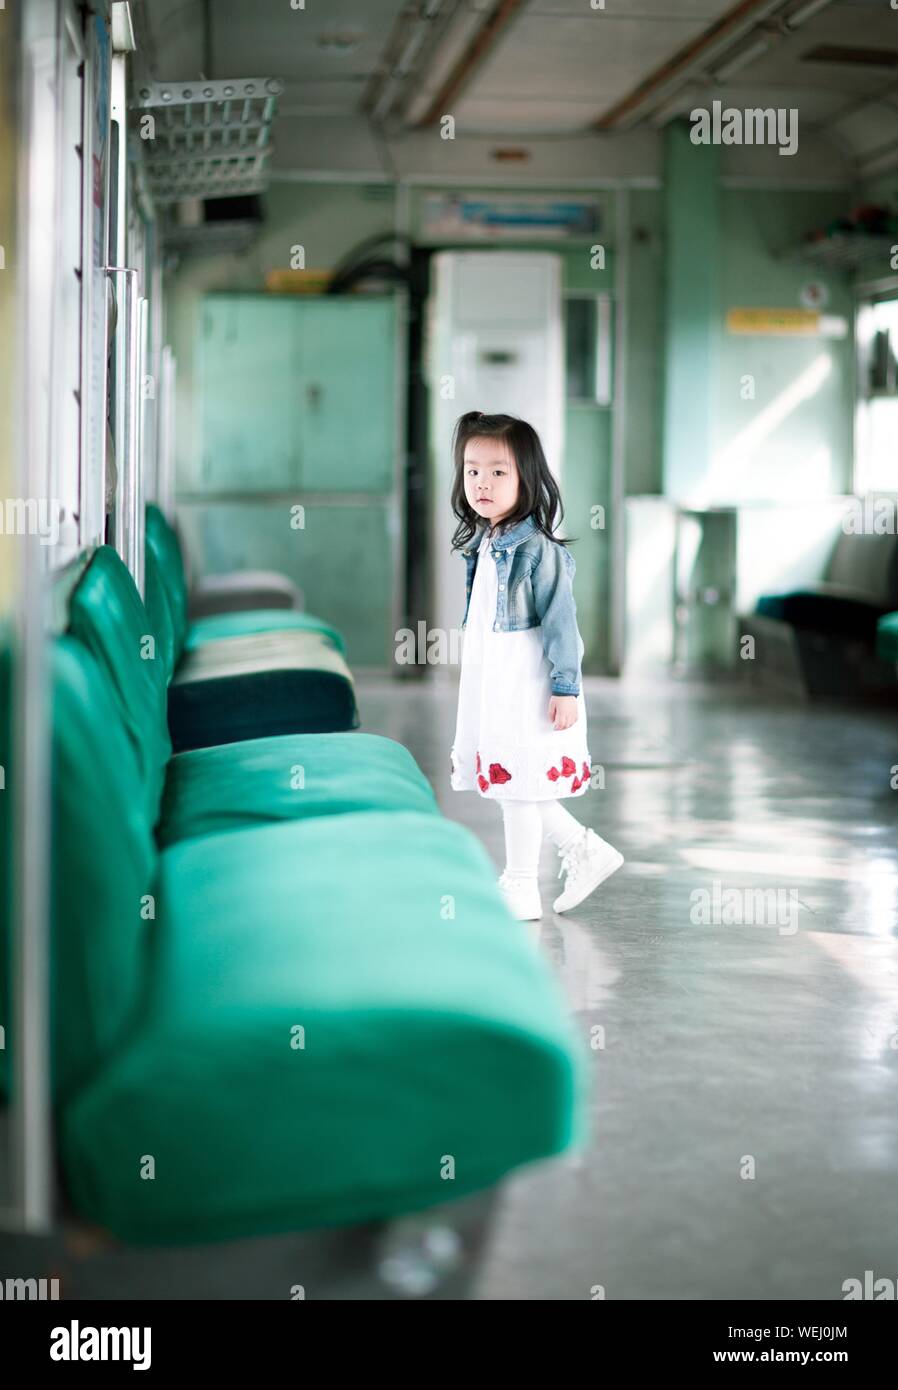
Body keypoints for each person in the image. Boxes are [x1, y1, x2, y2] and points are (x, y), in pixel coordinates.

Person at [449, 410, 623, 922]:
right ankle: (582, 848)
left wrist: (566, 688)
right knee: (514, 778)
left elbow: (563, 625)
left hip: (528, 683)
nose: (482, 481)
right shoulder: (486, 543)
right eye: (472, 470)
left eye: (498, 471)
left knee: (519, 782)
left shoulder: (538, 550)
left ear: (527, 478)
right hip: (495, 681)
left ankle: (522, 885)